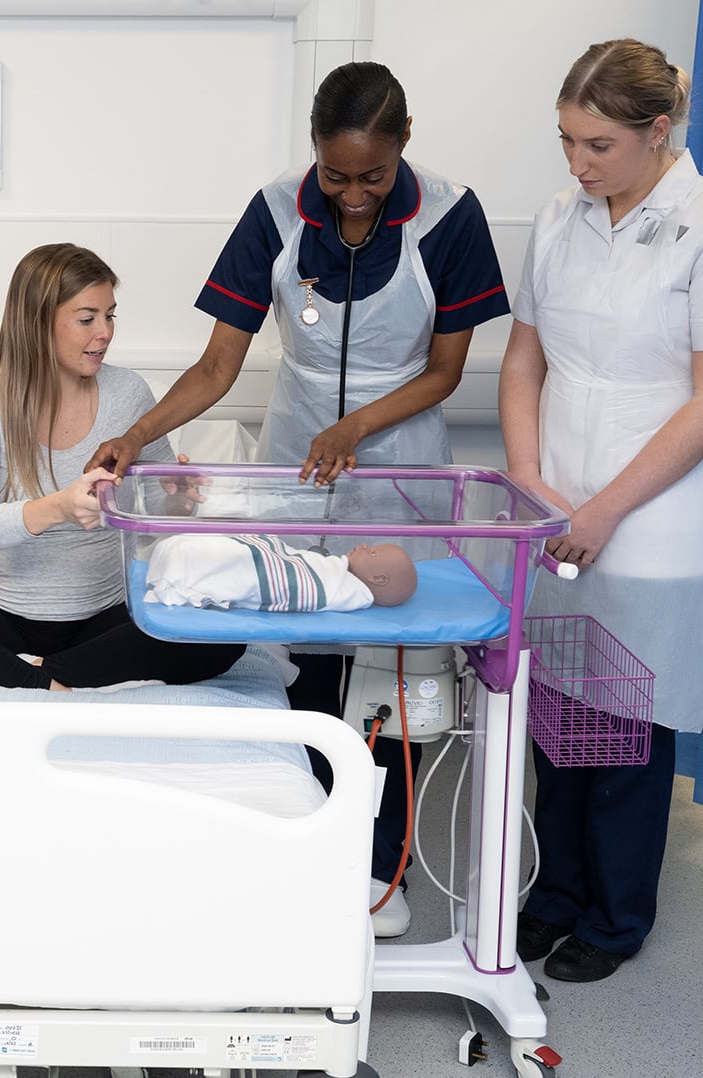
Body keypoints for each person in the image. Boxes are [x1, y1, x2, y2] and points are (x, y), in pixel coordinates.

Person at [87, 61, 509, 935]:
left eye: (373, 175)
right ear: (314, 153)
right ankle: (307, 835)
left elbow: (444, 371)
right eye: (336, 174)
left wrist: (359, 429)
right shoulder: (277, 211)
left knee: (394, 659)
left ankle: (381, 867)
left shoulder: (453, 215)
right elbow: (216, 366)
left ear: (405, 144)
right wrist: (136, 435)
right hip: (295, 454)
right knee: (298, 645)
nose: (354, 195)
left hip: (400, 461)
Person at [499, 38, 703, 982]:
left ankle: (616, 919)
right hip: (555, 495)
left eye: (598, 145)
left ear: (658, 132)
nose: (577, 164)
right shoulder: (559, 214)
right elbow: (524, 358)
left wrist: (607, 509)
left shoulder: (699, 222)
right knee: (558, 710)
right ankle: (554, 895)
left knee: (628, 721)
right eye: (566, 142)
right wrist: (529, 476)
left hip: (651, 508)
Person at [0, 243, 244, 692]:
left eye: (111, 316)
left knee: (228, 626)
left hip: (103, 616)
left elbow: (157, 510)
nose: (104, 332)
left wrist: (178, 501)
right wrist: (60, 507)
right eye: (87, 319)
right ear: (38, 322)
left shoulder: (129, 393)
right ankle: (55, 677)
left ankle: (38, 674)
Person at [144, 534, 418, 611]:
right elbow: (289, 558)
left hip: (264, 571)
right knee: (250, 547)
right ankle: (184, 555)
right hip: (278, 558)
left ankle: (183, 564)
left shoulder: (346, 591)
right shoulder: (337, 570)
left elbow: (294, 585)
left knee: (232, 560)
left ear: (378, 579)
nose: (363, 545)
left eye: (372, 552)